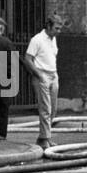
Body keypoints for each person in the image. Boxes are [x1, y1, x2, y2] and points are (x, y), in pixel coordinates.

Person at [0, 15, 35, 140]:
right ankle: (1, 133)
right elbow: (17, 57)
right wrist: (30, 71)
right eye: (3, 27)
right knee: (2, 105)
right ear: (0, 27)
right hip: (3, 76)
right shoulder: (5, 42)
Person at [25, 14, 64, 149]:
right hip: (42, 74)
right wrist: (39, 75)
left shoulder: (53, 40)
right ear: (48, 26)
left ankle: (44, 137)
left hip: (53, 74)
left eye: (60, 29)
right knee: (45, 109)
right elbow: (28, 59)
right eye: (56, 28)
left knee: (53, 109)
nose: (58, 32)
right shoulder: (37, 39)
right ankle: (45, 138)